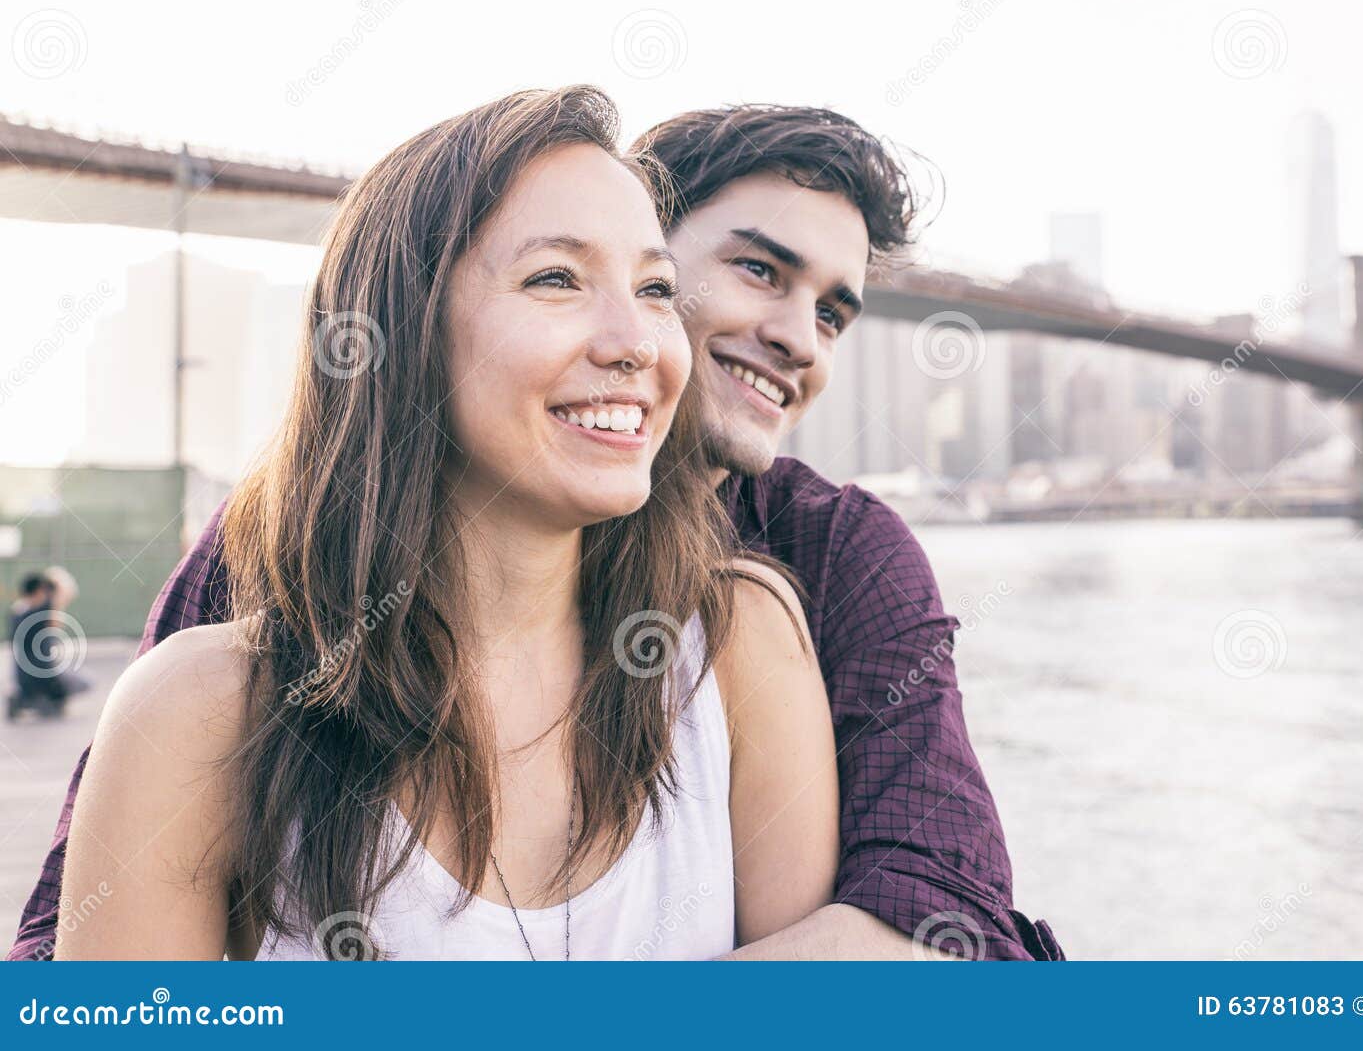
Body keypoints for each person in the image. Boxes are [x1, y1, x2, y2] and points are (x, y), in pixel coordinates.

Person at [12, 99, 1062, 962]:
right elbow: (80, 938)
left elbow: (946, 915)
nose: (797, 335)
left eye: (833, 313)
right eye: (755, 269)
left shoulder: (798, 590)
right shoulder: (251, 592)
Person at [8, 574, 66, 719]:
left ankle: (27, 700)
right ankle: (42, 699)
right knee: (80, 681)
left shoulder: (17, 612)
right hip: (41, 676)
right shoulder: (37, 612)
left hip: (23, 676)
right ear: (39, 591)